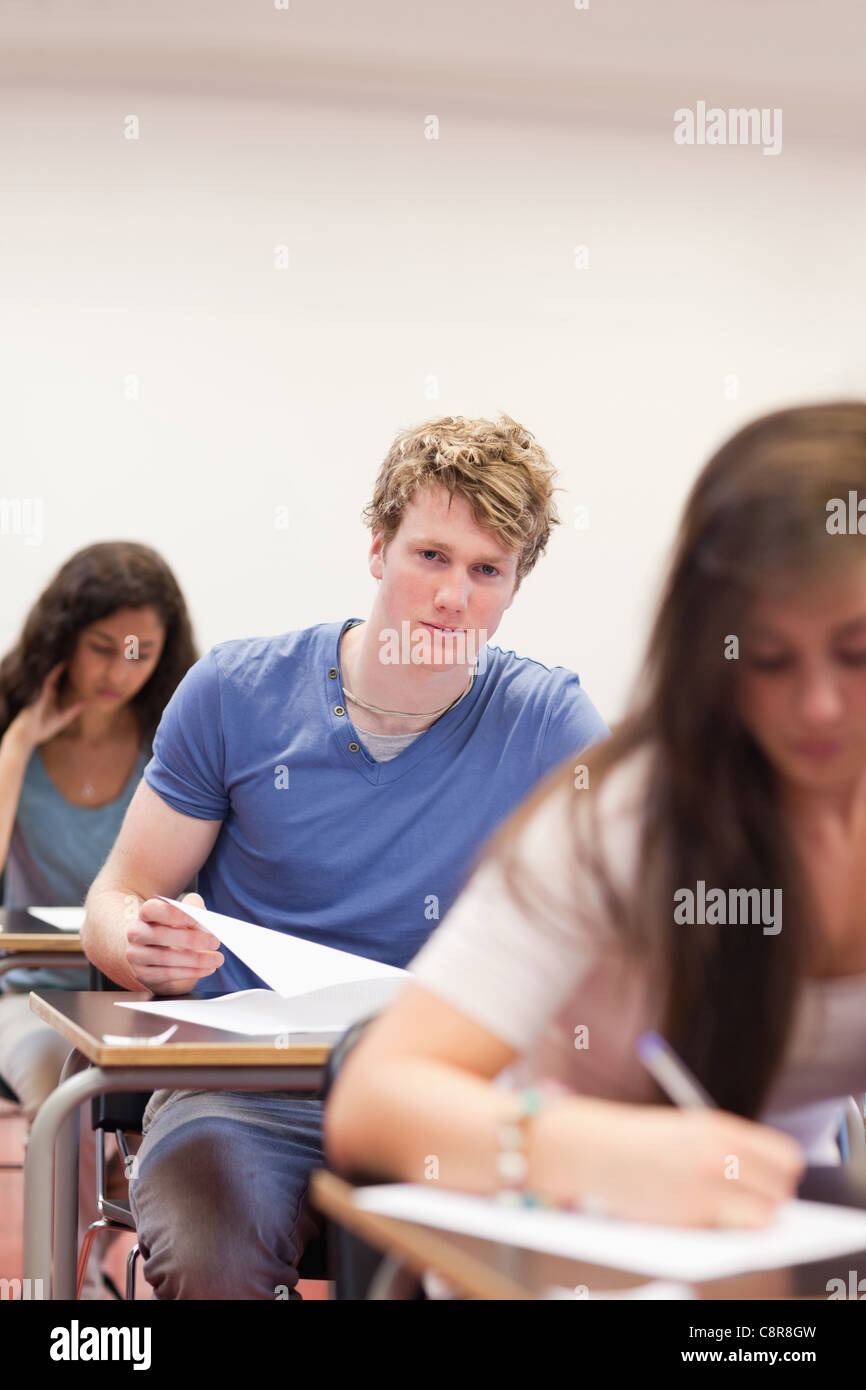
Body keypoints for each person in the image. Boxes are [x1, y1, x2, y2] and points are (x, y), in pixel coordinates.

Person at [82, 413, 609, 1298]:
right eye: (431, 556)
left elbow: (632, 921)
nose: (454, 596)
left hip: (443, 1093)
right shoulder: (233, 694)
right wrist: (138, 941)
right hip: (241, 1095)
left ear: (515, 585)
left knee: (516, 1262)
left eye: (487, 571)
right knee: (213, 1257)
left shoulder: (548, 722)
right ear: (377, 549)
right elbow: (117, 894)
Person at [325, 400, 866, 1234]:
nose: (821, 707)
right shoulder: (621, 819)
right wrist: (597, 1153)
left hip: (781, 1239)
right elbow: (376, 1102)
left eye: (858, 654)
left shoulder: (547, 714)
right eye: (769, 658)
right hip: (580, 1240)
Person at [0, 540, 197, 1294]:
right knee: (68, 1085)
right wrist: (19, 742)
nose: (120, 670)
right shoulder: (11, 725)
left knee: (191, 1104)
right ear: (62, 639)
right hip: (32, 996)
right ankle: (73, 1292)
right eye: (101, 648)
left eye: (141, 651)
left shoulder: (172, 741)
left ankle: (140, 1272)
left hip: (139, 996)